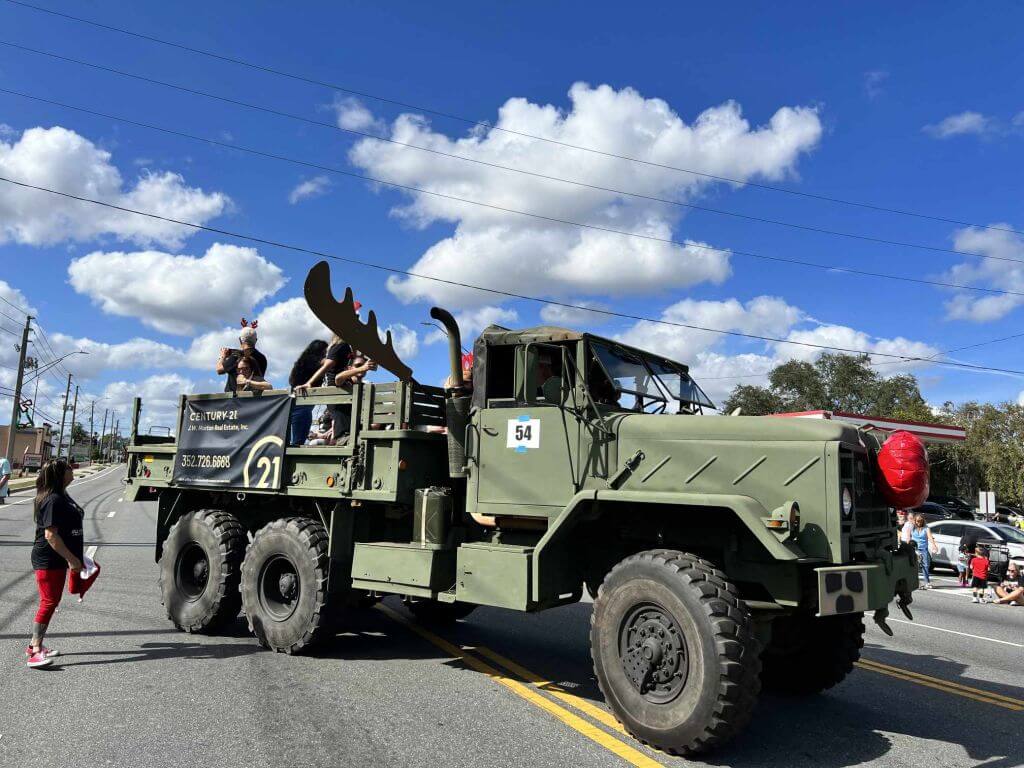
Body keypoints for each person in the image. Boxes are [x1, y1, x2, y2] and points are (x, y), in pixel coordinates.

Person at [27, 458, 85, 668]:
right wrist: (72, 559)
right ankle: (34, 650)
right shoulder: (53, 499)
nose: (72, 469)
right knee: (49, 602)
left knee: (51, 601)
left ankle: (35, 645)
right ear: (61, 475)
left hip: (58, 557)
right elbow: (51, 536)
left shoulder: (62, 495)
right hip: (48, 559)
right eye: (68, 468)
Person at [288, 340, 328, 445]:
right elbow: (330, 362)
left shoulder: (302, 362)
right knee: (298, 441)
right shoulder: (314, 361)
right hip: (303, 403)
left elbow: (291, 381)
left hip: (296, 402)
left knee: (295, 440)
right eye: (325, 352)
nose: (327, 354)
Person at [217, 324, 268, 393]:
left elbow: (219, 370)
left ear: (240, 340)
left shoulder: (236, 356)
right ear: (256, 340)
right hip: (254, 396)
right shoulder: (262, 358)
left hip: (234, 397)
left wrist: (223, 356)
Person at [910, 514, 938, 589]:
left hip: (923, 550)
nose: (919, 523)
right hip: (914, 549)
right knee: (915, 566)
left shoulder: (926, 528)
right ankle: (916, 582)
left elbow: (930, 537)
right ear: (915, 521)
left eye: (921, 521)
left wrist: (934, 545)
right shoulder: (912, 527)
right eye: (917, 521)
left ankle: (927, 582)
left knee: (925, 566)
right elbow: (908, 537)